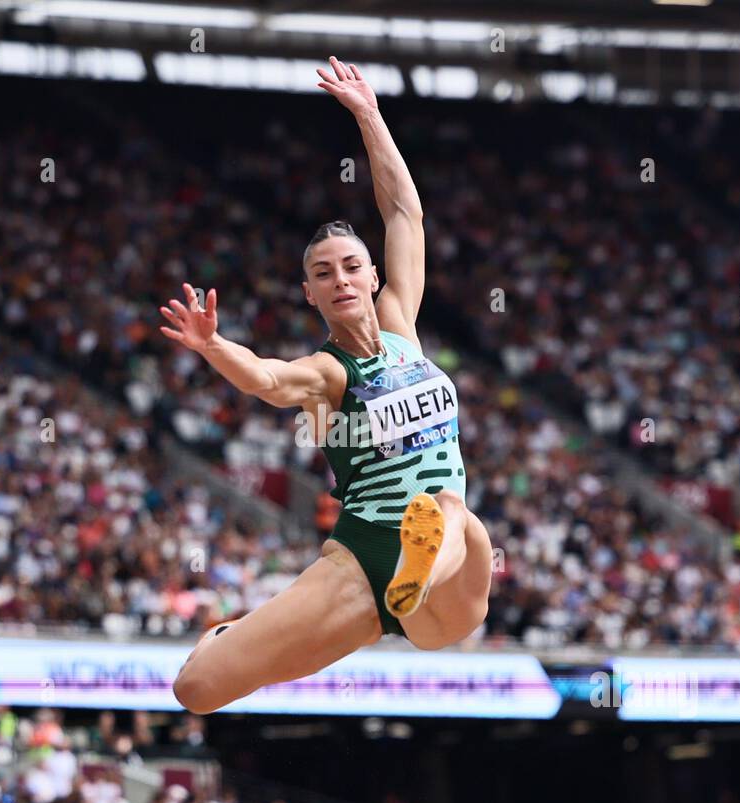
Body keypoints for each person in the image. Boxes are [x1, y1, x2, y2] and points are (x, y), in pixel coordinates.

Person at [160, 56, 493, 715]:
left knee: (451, 515)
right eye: (323, 272)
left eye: (350, 266)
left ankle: (422, 556)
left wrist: (369, 114)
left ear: (372, 277)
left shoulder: (402, 326)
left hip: (445, 566)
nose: (340, 278)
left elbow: (403, 213)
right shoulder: (329, 373)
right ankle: (238, 631)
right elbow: (264, 378)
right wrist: (211, 343)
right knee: (196, 690)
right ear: (309, 293)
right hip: (361, 558)